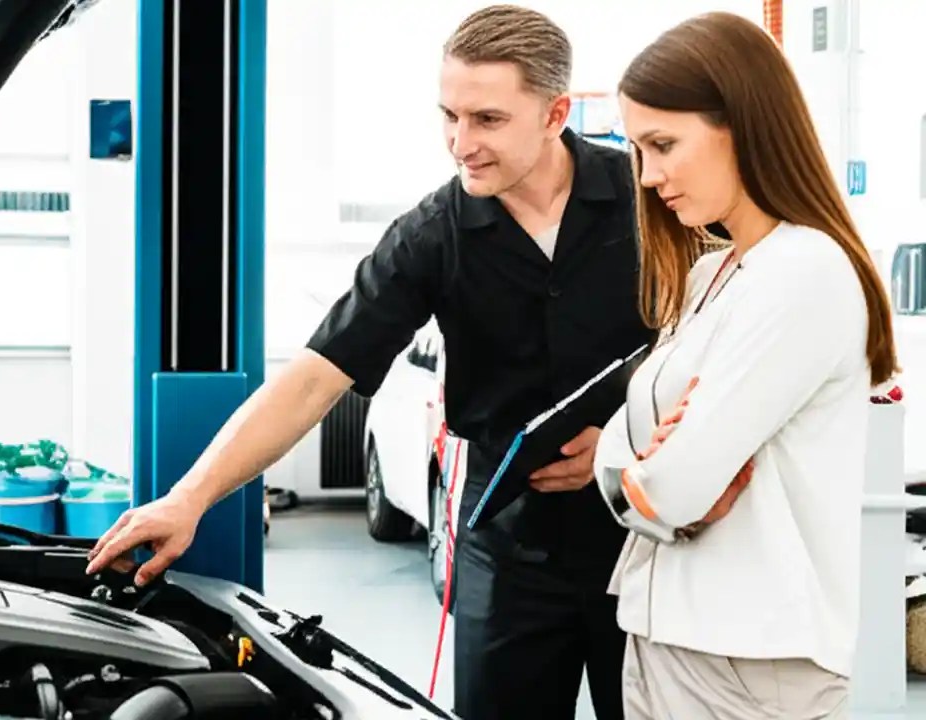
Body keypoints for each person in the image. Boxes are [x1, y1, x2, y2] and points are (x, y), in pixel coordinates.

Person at [86, 6, 653, 718]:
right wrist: (189, 498)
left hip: (646, 532)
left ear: (555, 114)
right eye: (449, 116)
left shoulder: (650, 200)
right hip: (508, 541)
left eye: (487, 119)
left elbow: (723, 343)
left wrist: (627, 443)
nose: (461, 143)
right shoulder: (431, 237)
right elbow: (313, 378)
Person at [592, 11, 898, 719]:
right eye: (638, 150)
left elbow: (674, 490)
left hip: (750, 660)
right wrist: (639, 465)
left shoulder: (805, 271)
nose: (647, 176)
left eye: (663, 144)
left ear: (741, 122)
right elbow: (630, 445)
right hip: (667, 637)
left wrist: (643, 473)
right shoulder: (714, 275)